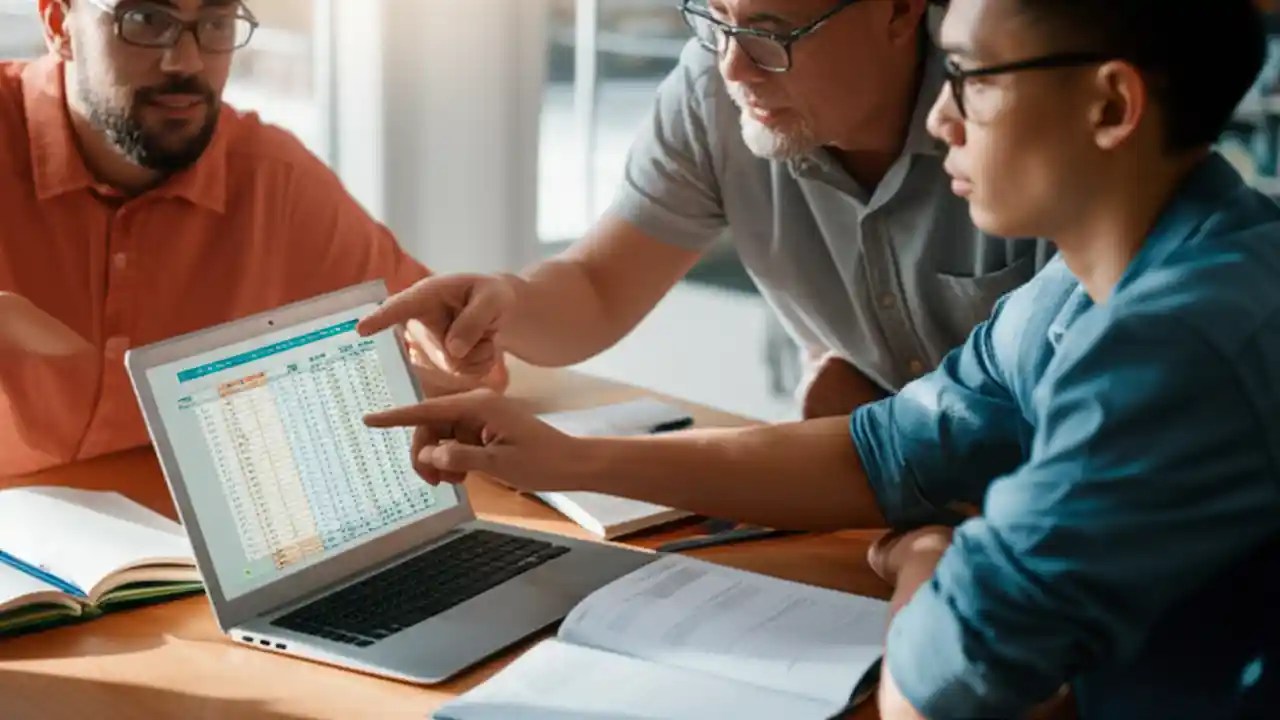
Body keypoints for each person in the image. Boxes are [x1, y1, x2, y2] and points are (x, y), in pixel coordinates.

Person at [364, 0, 1280, 717]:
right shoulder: (1087, 286)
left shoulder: (1169, 350)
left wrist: (925, 552)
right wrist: (566, 459)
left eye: (971, 77)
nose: (943, 116)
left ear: (1112, 105)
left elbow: (934, 692)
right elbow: (885, 450)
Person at [357, 0, 1048, 421]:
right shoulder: (713, 94)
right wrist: (506, 303)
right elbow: (598, 288)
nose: (732, 67)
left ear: (899, 9)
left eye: (772, 34)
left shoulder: (1020, 119)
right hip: (877, 501)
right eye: (715, 18)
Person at [0, 0, 501, 480]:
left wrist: (451, 352)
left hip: (171, 547)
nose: (186, 61)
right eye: (146, 19)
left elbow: (457, 361)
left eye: (216, 22)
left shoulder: (272, 180)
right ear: (57, 23)